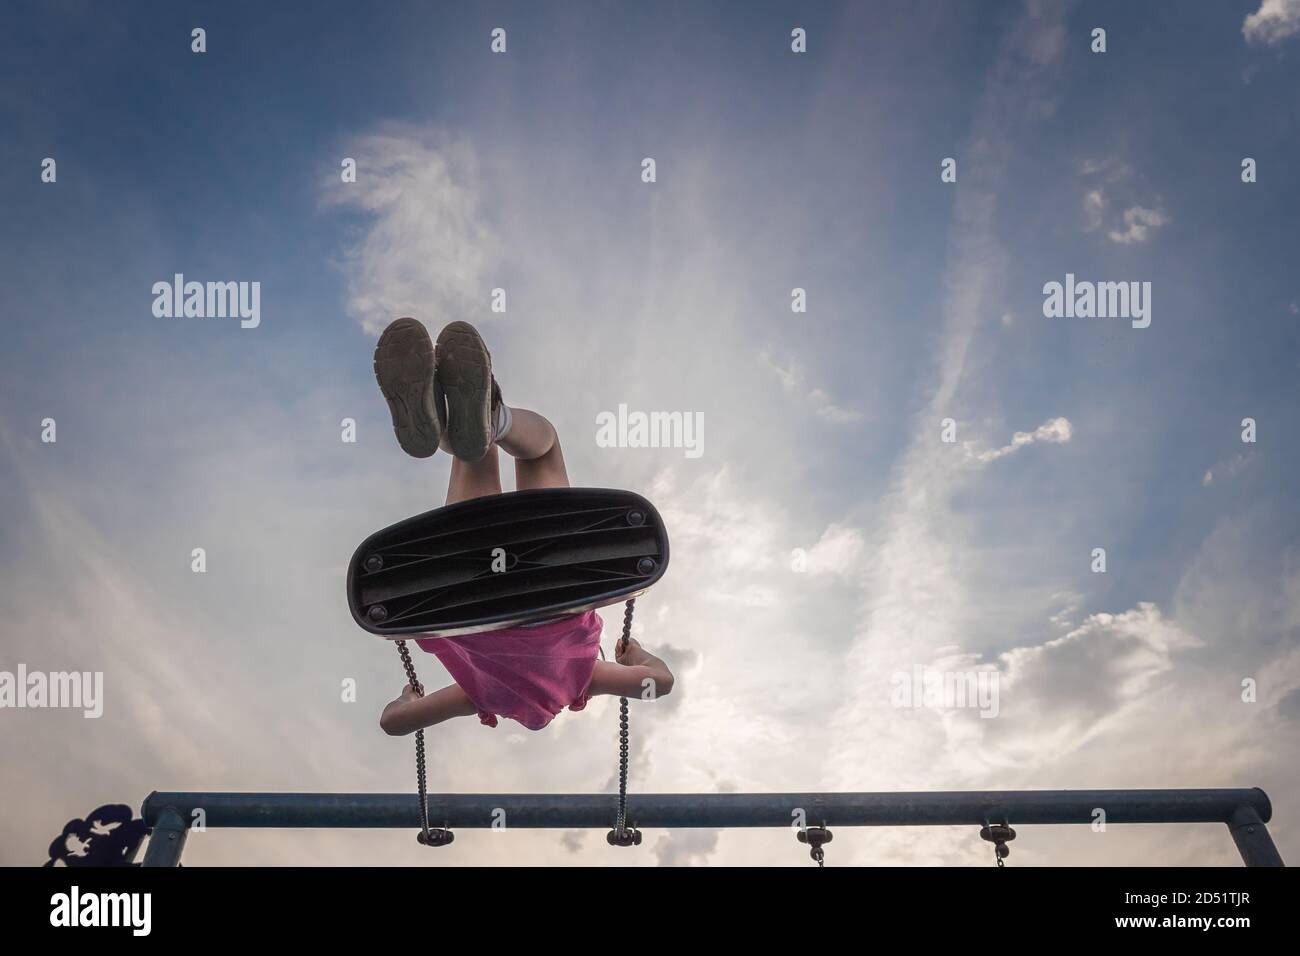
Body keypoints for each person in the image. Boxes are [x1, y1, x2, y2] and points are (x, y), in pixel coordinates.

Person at [371, 318, 674, 734]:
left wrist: (634, 654)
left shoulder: (583, 680)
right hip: (470, 594)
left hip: (558, 579)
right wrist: (409, 698)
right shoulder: (479, 695)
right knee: (473, 458)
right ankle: (447, 429)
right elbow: (394, 723)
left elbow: (660, 683)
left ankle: (496, 420)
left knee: (541, 450)